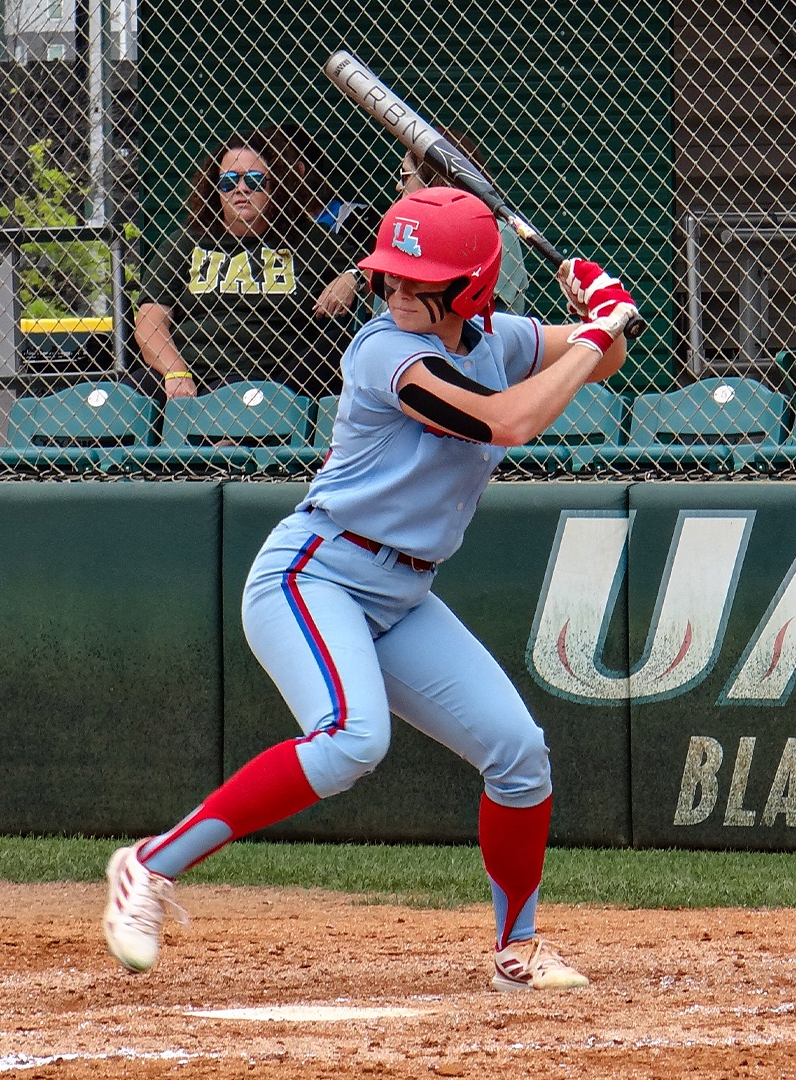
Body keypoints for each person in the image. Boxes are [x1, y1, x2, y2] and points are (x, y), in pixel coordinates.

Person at [101, 187, 637, 991]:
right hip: (315, 574)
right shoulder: (385, 352)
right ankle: (149, 866)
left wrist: (607, 313)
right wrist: (598, 330)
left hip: (403, 596)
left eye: (416, 281)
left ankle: (515, 952)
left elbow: (597, 358)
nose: (394, 291)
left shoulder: (502, 338)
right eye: (389, 276)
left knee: (519, 755)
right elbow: (509, 423)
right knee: (353, 738)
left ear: (471, 289)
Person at [133, 126, 365, 401]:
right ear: (215, 188)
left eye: (254, 180)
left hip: (268, 381)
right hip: (187, 374)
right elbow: (149, 322)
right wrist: (175, 372)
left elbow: (382, 266)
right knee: (116, 400)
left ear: (276, 184)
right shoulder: (186, 241)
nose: (240, 189)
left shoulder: (307, 239)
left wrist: (353, 275)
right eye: (229, 182)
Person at [317, 128, 530, 318]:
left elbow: (453, 317)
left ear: (435, 178)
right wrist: (356, 276)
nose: (398, 187)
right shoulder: (407, 232)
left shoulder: (495, 235)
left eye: (404, 176)